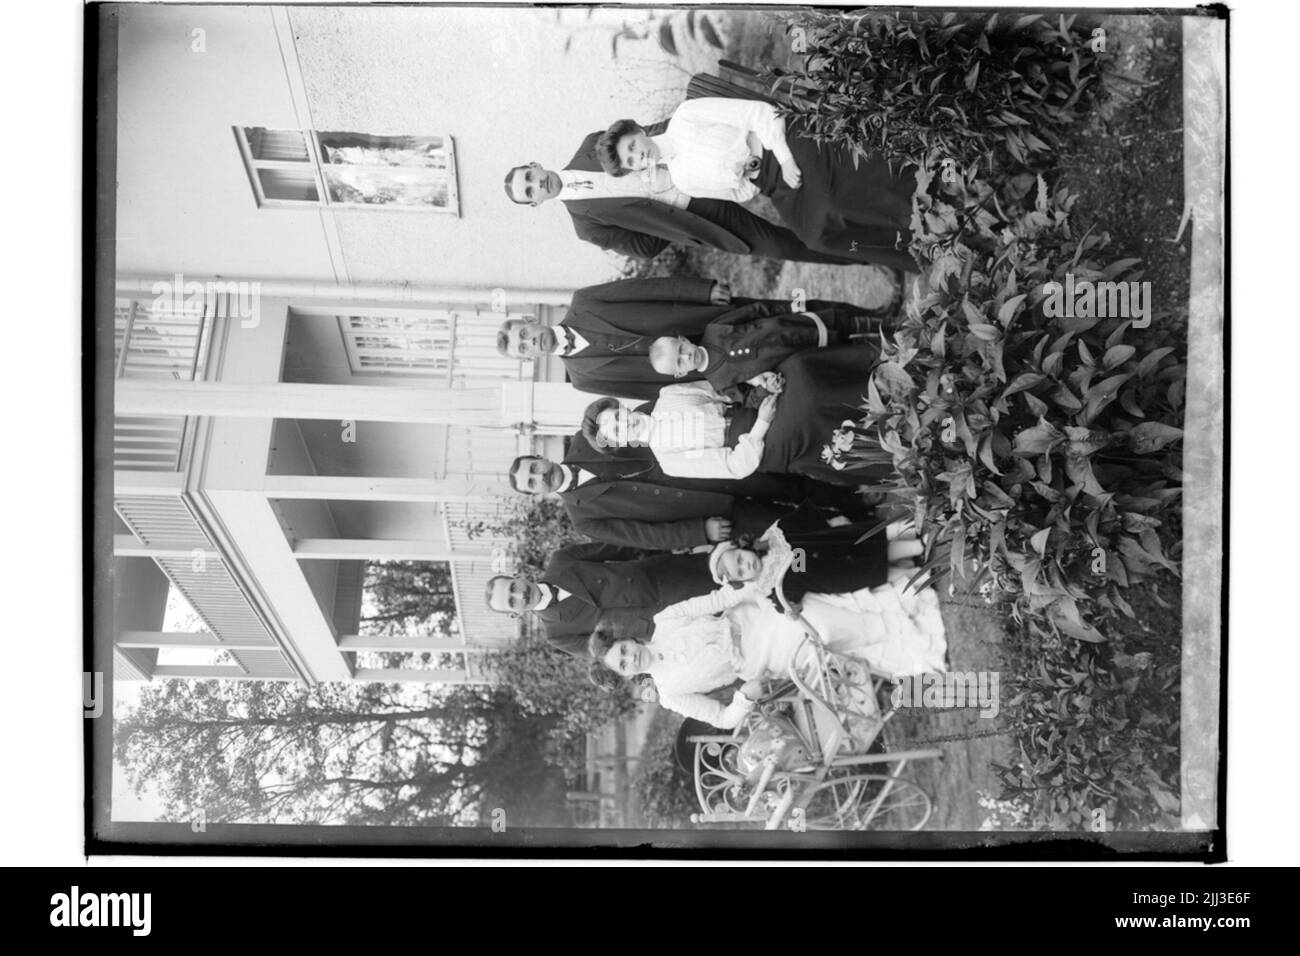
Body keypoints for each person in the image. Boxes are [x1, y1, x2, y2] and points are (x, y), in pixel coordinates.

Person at [587, 568, 947, 729]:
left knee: (815, 614)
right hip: (759, 659)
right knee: (818, 634)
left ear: (627, 640)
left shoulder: (666, 620)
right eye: (623, 665)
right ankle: (901, 632)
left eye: (622, 650)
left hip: (752, 619)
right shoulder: (670, 694)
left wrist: (758, 587)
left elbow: (718, 598)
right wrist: (744, 696)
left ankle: (898, 617)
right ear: (628, 675)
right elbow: (721, 719)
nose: (629, 658)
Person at [596, 99, 919, 272]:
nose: (640, 157)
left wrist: (785, 160)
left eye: (633, 147)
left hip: (782, 144)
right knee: (816, 235)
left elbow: (758, 113)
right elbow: (739, 193)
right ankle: (912, 251)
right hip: (771, 183)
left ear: (638, 131)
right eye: (632, 162)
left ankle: (917, 205)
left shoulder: (686, 117)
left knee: (831, 201)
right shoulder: (682, 178)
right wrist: (747, 172)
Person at [505, 126, 862, 263]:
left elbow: (644, 137)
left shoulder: (588, 145)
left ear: (535, 165)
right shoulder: (586, 226)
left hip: (700, 169)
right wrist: (667, 221)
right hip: (696, 212)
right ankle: (859, 254)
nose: (538, 185)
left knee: (780, 179)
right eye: (530, 192)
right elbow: (644, 248)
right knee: (779, 245)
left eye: (530, 177)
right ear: (536, 203)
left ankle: (858, 209)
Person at [496, 277, 864, 400]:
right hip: (703, 367)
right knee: (782, 360)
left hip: (707, 321)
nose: (532, 342)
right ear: (528, 360)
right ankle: (855, 354)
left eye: (525, 334)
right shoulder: (583, 379)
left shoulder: (585, 302)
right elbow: (652, 392)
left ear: (531, 320)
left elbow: (645, 288)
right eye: (524, 348)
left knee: (782, 316)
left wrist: (700, 291)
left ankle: (858, 316)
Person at [581, 345, 893, 487]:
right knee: (804, 411)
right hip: (759, 444)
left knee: (798, 367)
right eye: (618, 431)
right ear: (622, 443)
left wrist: (761, 381)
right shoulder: (669, 460)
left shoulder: (667, 396)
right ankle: (890, 437)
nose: (626, 424)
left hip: (753, 404)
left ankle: (886, 374)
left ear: (622, 408)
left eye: (618, 417)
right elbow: (733, 466)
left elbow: (723, 388)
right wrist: (763, 423)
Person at [508, 453, 863, 553]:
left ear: (540, 457)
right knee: (782, 525)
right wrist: (700, 532)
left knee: (787, 485)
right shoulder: (584, 519)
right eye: (533, 483)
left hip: (705, 470)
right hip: (707, 514)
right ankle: (856, 535)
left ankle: (861, 498)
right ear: (537, 494)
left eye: (534, 468)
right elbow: (647, 537)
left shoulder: (585, 442)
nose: (541, 477)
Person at [484, 542, 713, 657]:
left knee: (735, 576)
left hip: (666, 576)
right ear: (515, 614)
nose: (520, 595)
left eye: (513, 587)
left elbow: (620, 548)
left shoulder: (562, 561)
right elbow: (608, 654)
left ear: (518, 576)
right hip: (665, 626)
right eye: (512, 601)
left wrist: (673, 544)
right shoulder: (558, 635)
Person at [647, 299, 879, 400]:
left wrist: (788, 310)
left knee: (843, 324)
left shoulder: (716, 329)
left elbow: (756, 311)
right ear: (681, 374)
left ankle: (887, 322)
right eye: (680, 361)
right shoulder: (720, 383)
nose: (687, 355)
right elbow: (749, 399)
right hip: (794, 358)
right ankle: (886, 348)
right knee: (847, 350)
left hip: (788, 329)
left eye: (681, 348)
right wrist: (765, 387)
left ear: (684, 339)